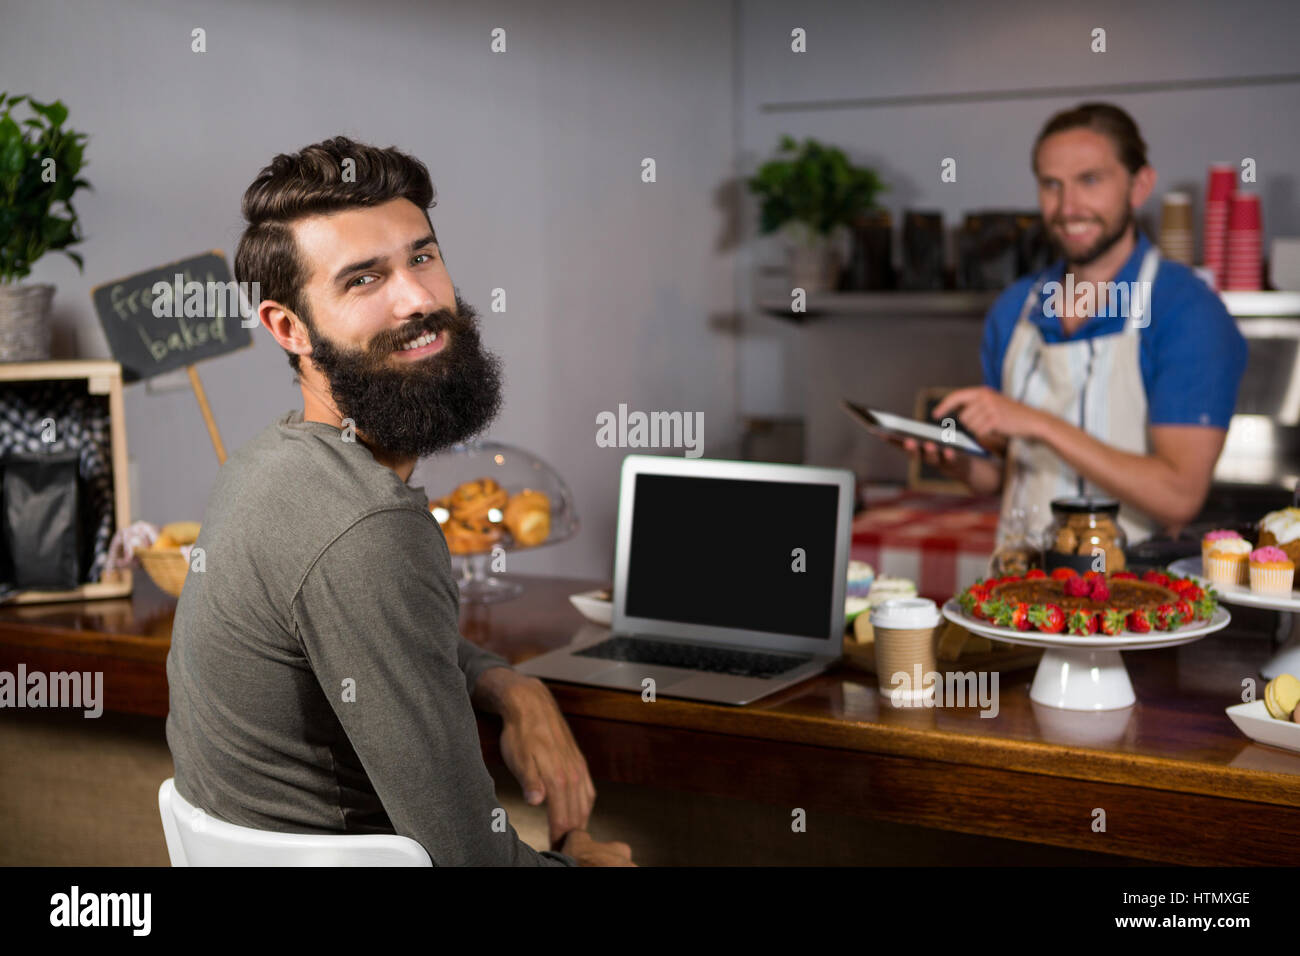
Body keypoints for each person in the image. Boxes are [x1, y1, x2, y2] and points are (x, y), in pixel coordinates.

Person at [165, 136, 633, 867]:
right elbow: (471, 862)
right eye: (362, 280)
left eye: (422, 256)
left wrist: (507, 684)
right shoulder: (368, 526)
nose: (418, 299)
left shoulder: (267, 464)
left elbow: (378, 631)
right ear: (288, 328)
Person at [907, 102, 1247, 544]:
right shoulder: (1016, 309)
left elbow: (1178, 496)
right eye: (1051, 184)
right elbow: (1002, 476)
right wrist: (958, 462)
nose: (1068, 207)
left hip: (1132, 595)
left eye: (1089, 180)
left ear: (1140, 185)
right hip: (1017, 587)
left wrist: (1039, 423)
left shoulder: (1185, 310)